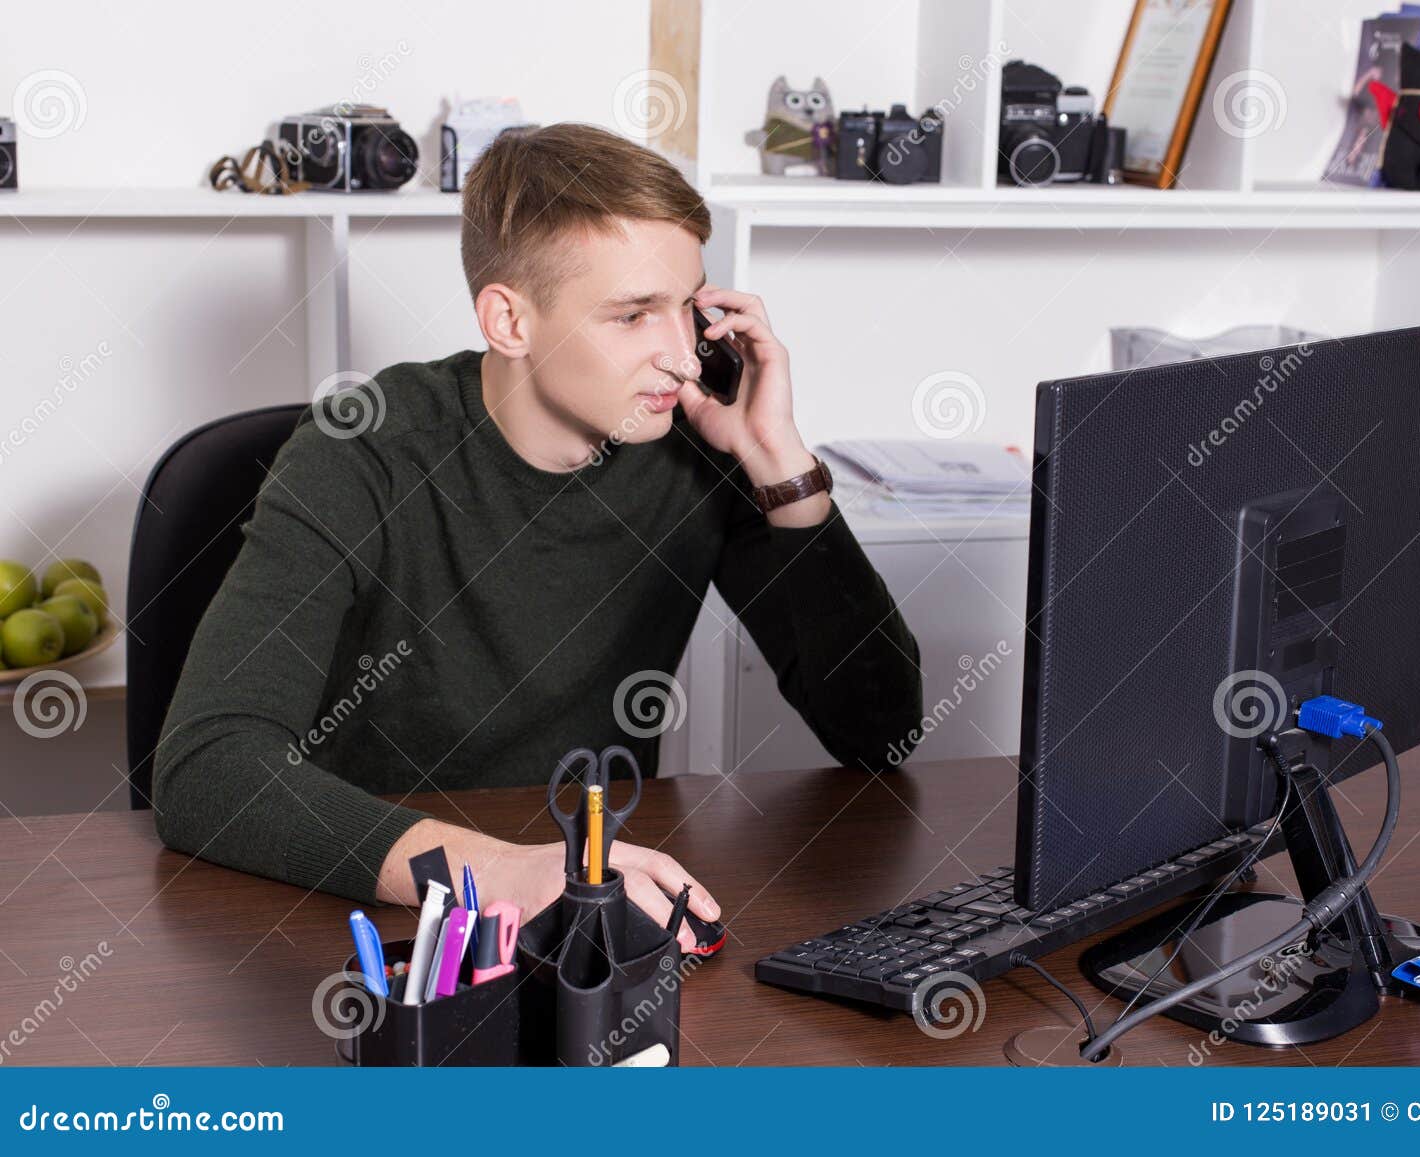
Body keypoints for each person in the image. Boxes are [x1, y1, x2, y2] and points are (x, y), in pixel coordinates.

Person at [152, 123, 925, 951]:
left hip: (591, 907)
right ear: (509, 321)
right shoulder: (362, 449)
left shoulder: (703, 437)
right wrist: (503, 873)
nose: (684, 358)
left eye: (688, 307)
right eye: (632, 315)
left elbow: (881, 734)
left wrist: (785, 469)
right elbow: (206, 768)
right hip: (376, 928)